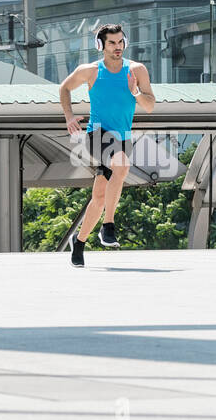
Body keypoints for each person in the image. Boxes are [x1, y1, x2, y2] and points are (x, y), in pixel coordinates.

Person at [58, 23, 156, 267]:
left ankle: (78, 242)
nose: (117, 47)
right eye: (112, 43)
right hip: (97, 134)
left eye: (121, 42)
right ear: (100, 45)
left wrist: (135, 92)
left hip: (123, 137)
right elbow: (64, 88)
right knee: (121, 165)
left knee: (100, 197)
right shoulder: (90, 71)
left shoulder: (137, 70)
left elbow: (150, 105)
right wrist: (69, 116)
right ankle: (108, 226)